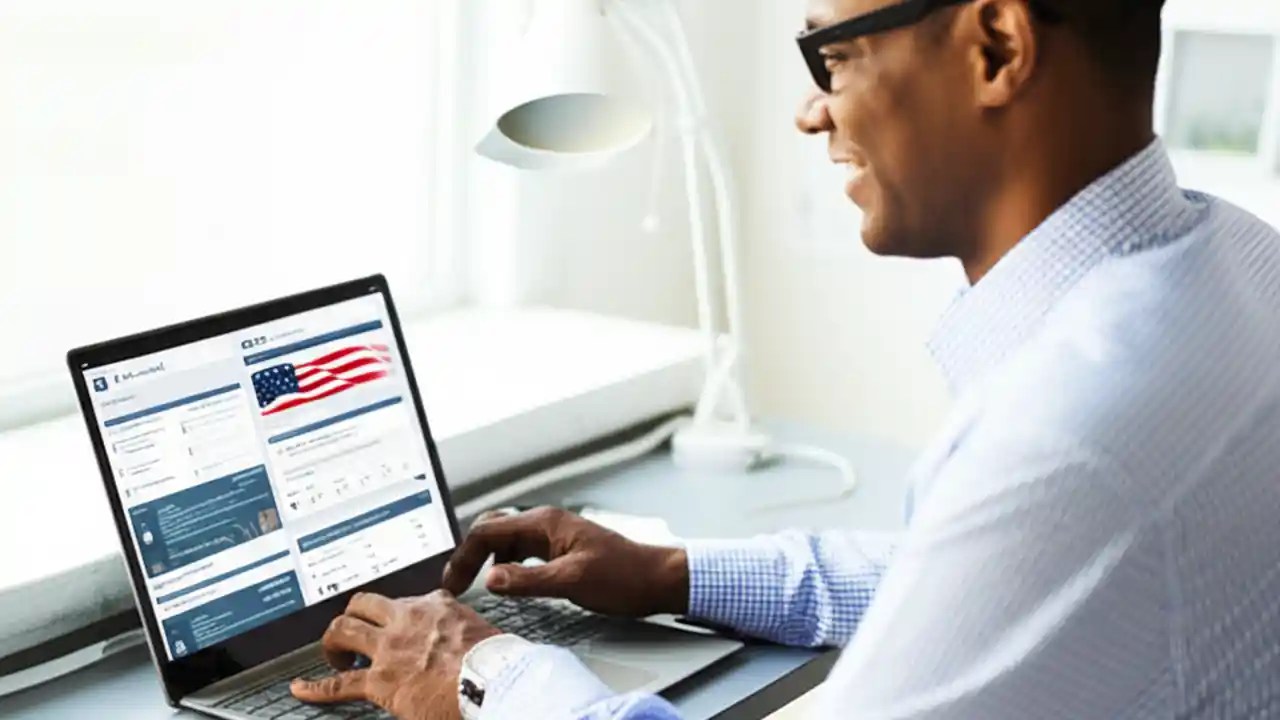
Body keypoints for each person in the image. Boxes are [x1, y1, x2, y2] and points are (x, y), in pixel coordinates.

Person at [290, 0, 1280, 717]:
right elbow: (973, 575)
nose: (811, 113)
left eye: (832, 57)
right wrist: (675, 572)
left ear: (993, 46)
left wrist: (477, 673)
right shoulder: (1237, 266)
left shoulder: (1074, 436)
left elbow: (1043, 521)